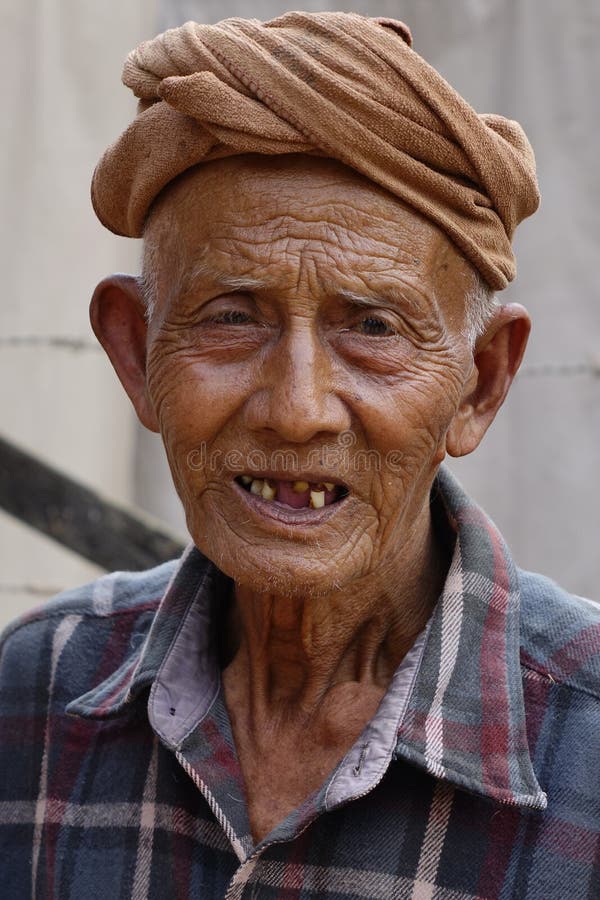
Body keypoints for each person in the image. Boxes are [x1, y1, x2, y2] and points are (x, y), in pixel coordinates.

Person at [1, 11, 598, 899]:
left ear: (479, 384)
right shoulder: (38, 693)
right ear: (135, 354)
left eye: (374, 328)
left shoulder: (585, 738)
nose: (297, 410)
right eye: (231, 317)